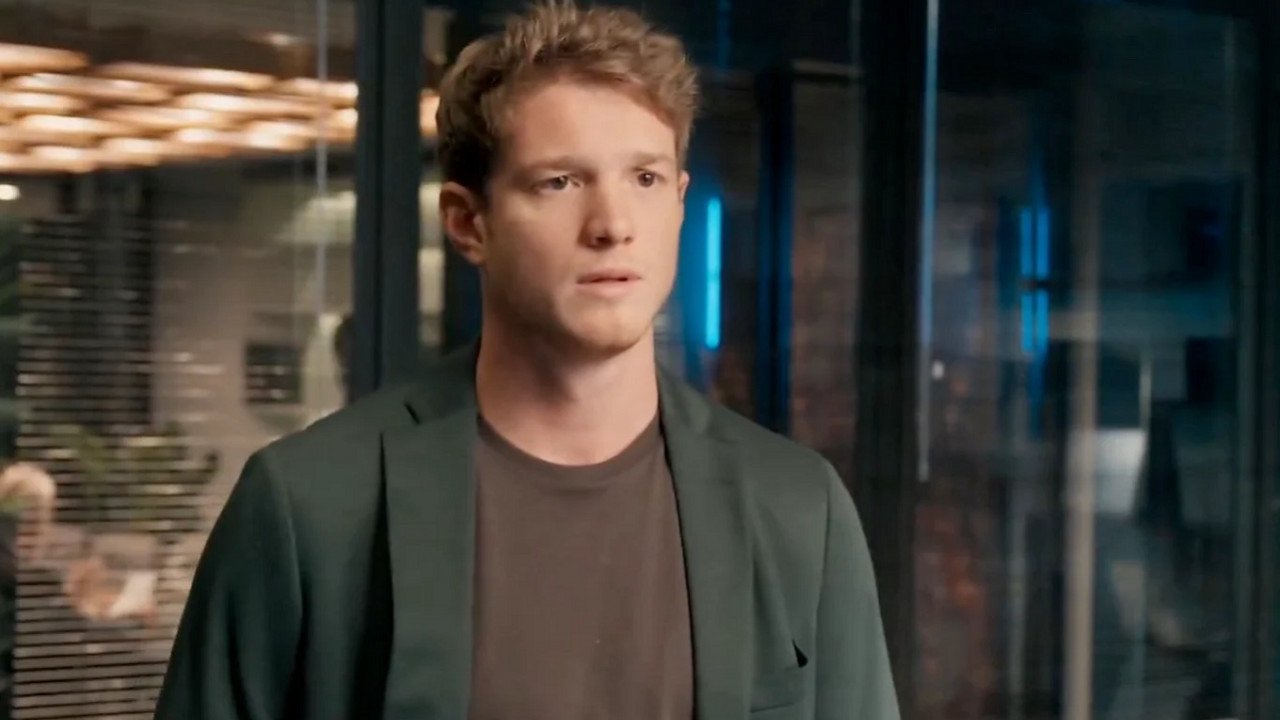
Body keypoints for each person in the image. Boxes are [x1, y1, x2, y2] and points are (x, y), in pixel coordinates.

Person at [153, 2, 900, 719]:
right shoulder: (309, 505)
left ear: (679, 202)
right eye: (560, 182)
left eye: (644, 178)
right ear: (467, 223)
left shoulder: (799, 509)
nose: (612, 225)